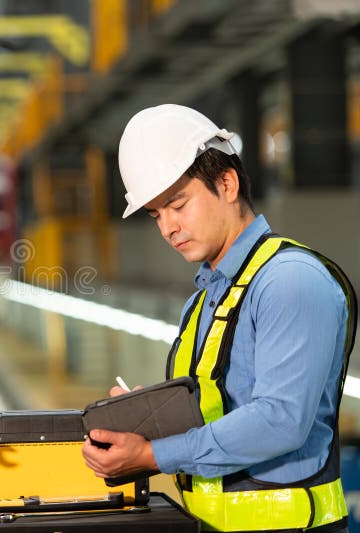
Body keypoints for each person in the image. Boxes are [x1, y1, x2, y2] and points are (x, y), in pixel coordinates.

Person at [82, 104, 356, 533]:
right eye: (156, 215)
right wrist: (147, 423)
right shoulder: (206, 298)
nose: (167, 228)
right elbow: (216, 408)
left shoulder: (289, 281)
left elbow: (281, 421)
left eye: (178, 205)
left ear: (227, 184)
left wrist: (153, 456)